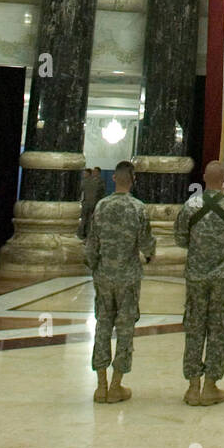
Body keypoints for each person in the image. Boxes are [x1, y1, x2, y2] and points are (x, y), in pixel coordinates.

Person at [174, 160, 224, 407]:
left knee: (194, 327)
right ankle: (211, 385)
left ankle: (193, 386)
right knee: (218, 329)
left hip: (196, 275)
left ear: (203, 177)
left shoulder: (191, 205)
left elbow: (181, 239)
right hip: (222, 276)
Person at [84, 160, 155, 404]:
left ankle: (100, 386)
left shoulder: (101, 207)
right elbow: (147, 244)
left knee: (103, 326)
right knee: (125, 329)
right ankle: (117, 385)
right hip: (128, 277)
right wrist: (149, 255)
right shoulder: (138, 208)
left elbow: (91, 245)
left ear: (113, 178)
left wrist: (95, 266)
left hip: (104, 276)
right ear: (133, 180)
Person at [77, 167, 105, 241]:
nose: (94, 173)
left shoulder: (99, 182)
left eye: (95, 171)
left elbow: (101, 194)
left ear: (99, 173)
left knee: (90, 220)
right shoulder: (88, 181)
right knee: (85, 219)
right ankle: (83, 234)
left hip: (93, 203)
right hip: (87, 203)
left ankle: (87, 235)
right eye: (93, 171)